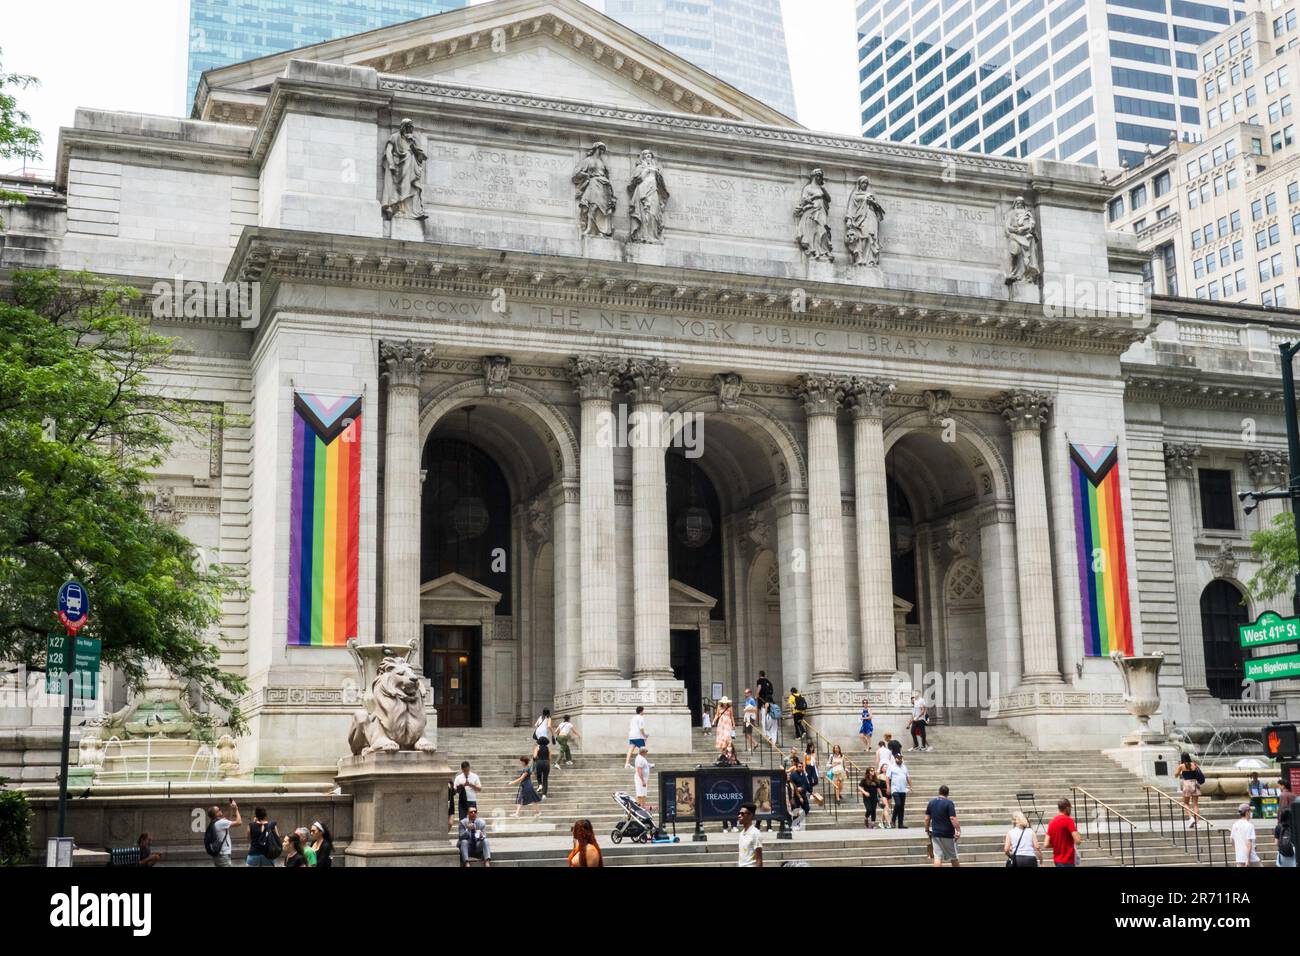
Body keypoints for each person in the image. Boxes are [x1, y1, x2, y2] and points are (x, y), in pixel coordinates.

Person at [924, 785, 960, 867]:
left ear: (939, 792)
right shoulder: (949, 803)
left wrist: (927, 830)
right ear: (947, 794)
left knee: (937, 857)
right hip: (948, 834)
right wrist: (958, 830)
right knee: (953, 857)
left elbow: (927, 818)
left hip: (935, 833)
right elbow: (952, 818)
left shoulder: (931, 803)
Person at [204, 800, 241, 867]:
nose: (221, 810)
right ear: (216, 814)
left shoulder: (214, 822)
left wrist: (232, 809)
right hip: (223, 855)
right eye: (219, 810)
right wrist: (236, 809)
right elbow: (239, 822)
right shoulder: (221, 823)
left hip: (219, 855)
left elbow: (227, 820)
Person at [1045, 799, 1080, 867]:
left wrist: (1057, 844)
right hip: (1068, 860)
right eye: (1070, 808)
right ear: (1067, 808)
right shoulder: (1068, 820)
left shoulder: (1052, 822)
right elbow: (1078, 841)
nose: (1071, 810)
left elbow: (1046, 844)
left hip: (1057, 860)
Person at [1176, 752, 1205, 827]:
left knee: (1185, 803)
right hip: (1195, 784)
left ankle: (1191, 818)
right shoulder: (1194, 764)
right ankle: (1198, 823)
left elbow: (1176, 775)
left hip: (1187, 785)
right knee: (1195, 804)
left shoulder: (1181, 766)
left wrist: (1180, 771)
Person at [1230, 802, 1259, 867]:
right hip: (1251, 858)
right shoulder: (1249, 825)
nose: (1251, 813)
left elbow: (1231, 841)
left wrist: (1239, 850)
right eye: (1250, 811)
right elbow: (1249, 843)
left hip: (1239, 858)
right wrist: (1248, 859)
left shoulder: (1235, 824)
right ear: (1247, 812)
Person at [887, 753, 910, 828]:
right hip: (895, 789)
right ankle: (893, 820)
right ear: (895, 758)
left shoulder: (904, 766)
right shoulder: (891, 766)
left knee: (902, 807)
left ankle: (900, 824)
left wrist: (910, 785)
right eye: (898, 758)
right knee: (898, 804)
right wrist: (888, 787)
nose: (900, 759)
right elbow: (887, 778)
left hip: (903, 789)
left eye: (901, 758)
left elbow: (907, 776)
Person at [738, 802, 764, 867]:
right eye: (739, 813)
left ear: (750, 815)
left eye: (742, 814)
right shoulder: (741, 833)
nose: (739, 816)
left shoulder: (755, 833)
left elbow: (759, 859)